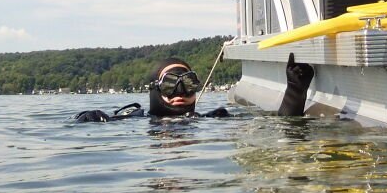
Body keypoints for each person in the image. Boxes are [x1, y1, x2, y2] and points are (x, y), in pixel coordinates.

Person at [75, 58, 314, 121]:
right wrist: (87, 117)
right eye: (170, 85)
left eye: (188, 84)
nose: (179, 92)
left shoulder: (214, 118)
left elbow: (280, 126)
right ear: (155, 91)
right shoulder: (133, 119)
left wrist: (295, 90)